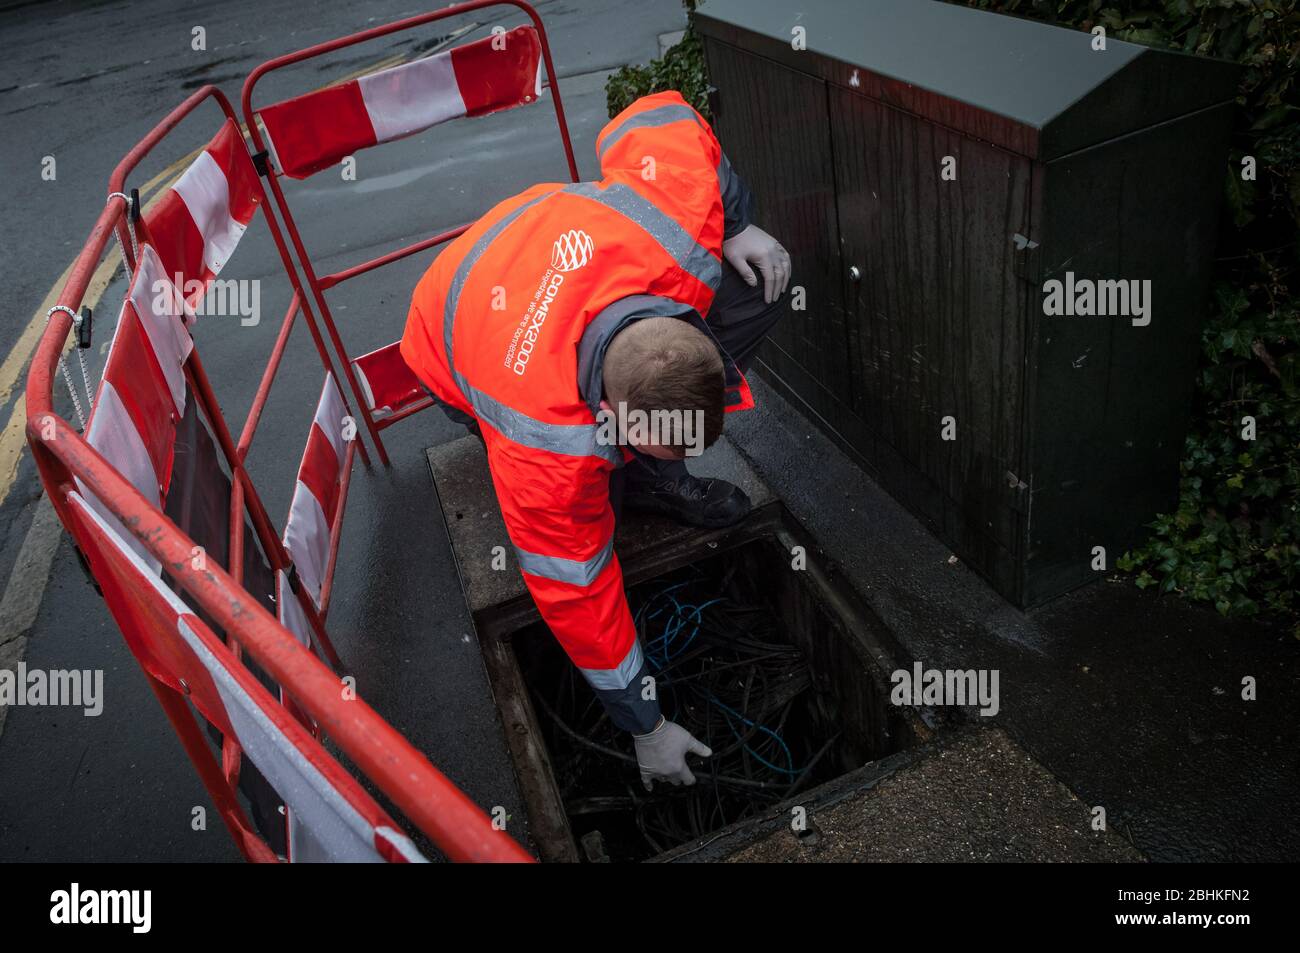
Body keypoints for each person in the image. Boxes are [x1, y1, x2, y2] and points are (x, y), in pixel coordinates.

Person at [401, 90, 790, 790]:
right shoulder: (540, 445)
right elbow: (573, 588)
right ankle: (637, 480)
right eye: (655, 448)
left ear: (687, 323)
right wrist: (646, 725)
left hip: (539, 245)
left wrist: (735, 224)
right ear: (608, 422)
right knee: (578, 529)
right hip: (450, 328)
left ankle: (649, 478)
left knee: (762, 285)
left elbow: (658, 116)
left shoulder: (676, 232)